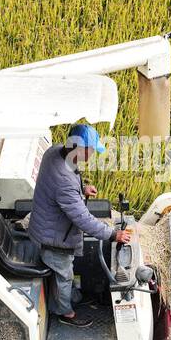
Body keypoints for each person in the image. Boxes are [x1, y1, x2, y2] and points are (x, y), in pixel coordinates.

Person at [28, 123, 132, 328]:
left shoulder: (55, 151)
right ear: (80, 149)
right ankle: (64, 313)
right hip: (53, 240)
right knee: (65, 275)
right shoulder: (64, 180)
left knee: (66, 272)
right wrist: (113, 234)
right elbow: (83, 219)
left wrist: (82, 189)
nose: (92, 155)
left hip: (46, 226)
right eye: (91, 151)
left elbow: (62, 186)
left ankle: (69, 297)